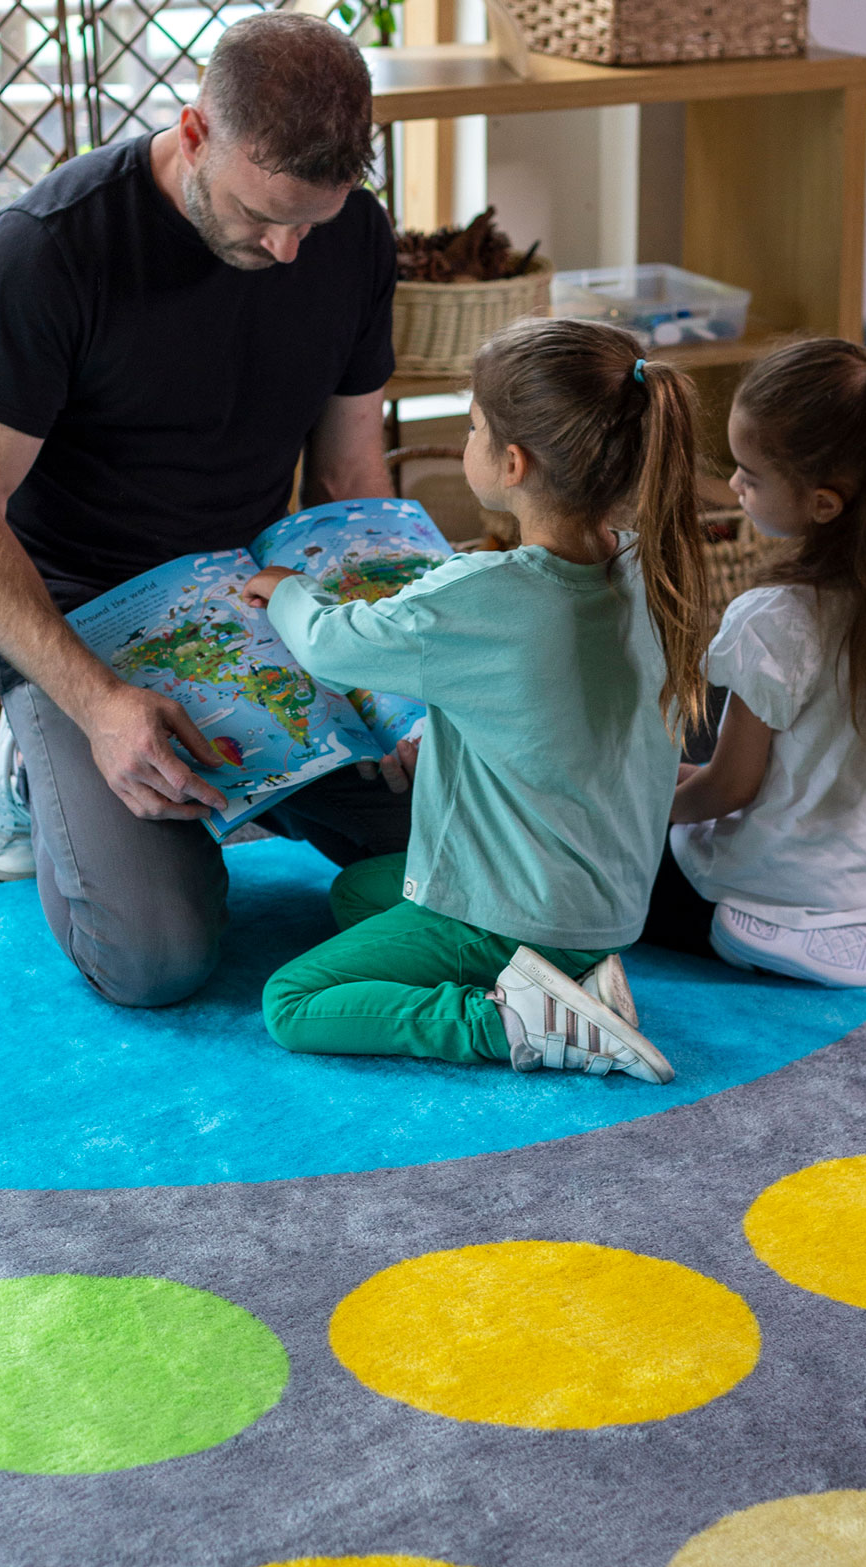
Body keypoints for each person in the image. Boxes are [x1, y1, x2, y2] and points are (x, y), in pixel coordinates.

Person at [0, 13, 409, 1008]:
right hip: (84, 621)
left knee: (469, 841)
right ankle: (34, 761)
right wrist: (98, 707)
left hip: (260, 605)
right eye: (261, 212)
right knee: (157, 960)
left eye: (311, 221)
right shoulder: (44, 252)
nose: (285, 248)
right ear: (193, 134)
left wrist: (403, 679)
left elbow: (354, 480)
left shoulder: (351, 236)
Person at [243, 317, 715, 1082]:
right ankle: (565, 984)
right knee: (359, 892)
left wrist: (289, 590)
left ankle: (512, 1022)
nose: (469, 440)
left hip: (521, 914)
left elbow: (327, 643)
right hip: (607, 904)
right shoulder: (643, 564)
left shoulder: (487, 593)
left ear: (513, 462)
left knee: (292, 1000)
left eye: (472, 428)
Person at [644, 336, 866, 988]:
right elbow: (800, 764)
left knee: (610, 868)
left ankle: (759, 929)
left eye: (751, 474)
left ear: (823, 503)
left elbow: (733, 788)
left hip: (776, 875)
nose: (734, 485)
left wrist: (644, 810)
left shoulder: (774, 618)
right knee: (679, 789)